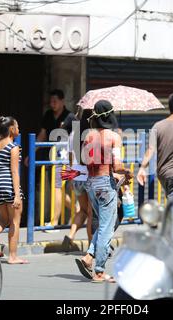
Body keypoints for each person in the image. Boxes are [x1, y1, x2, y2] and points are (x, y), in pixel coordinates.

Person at [75, 100, 131, 283]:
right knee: (107, 228)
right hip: (106, 185)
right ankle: (99, 271)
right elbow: (118, 165)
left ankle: (88, 257)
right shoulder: (114, 137)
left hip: (91, 183)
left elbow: (83, 161)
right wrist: (128, 172)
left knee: (104, 225)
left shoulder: (89, 136)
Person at [0, 115, 27, 264]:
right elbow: (14, 172)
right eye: (18, 126)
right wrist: (17, 196)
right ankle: (13, 256)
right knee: (14, 221)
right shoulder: (13, 147)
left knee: (3, 219)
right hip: (9, 184)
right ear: (12, 129)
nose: (19, 129)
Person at [25, 89, 71, 231]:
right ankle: (79, 210)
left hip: (63, 157)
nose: (52, 104)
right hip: (50, 157)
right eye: (51, 101)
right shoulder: (48, 115)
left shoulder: (70, 117)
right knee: (58, 190)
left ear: (62, 101)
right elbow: (42, 135)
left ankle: (54, 221)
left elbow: (76, 139)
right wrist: (31, 154)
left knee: (58, 188)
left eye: (55, 101)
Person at [137, 92, 173, 200]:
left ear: (169, 107)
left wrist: (142, 168)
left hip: (163, 174)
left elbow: (150, 149)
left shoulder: (157, 125)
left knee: (172, 202)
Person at [60, 111, 92, 248]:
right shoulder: (92, 134)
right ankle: (92, 246)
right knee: (92, 213)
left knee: (84, 210)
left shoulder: (73, 134)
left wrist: (71, 178)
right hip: (89, 176)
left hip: (77, 176)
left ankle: (71, 235)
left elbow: (70, 157)